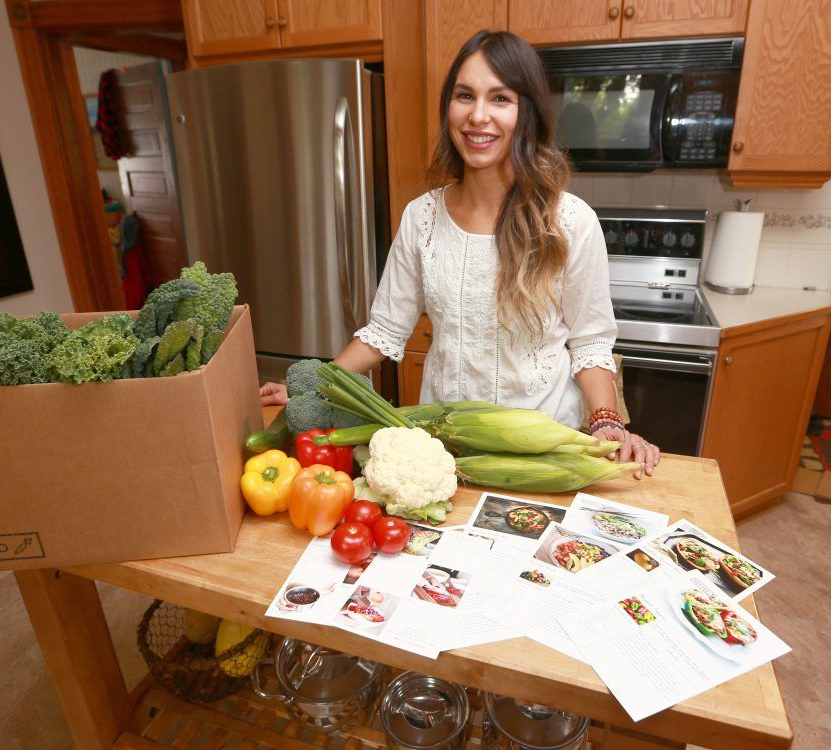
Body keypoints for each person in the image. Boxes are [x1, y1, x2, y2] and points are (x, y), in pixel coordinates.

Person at [260, 30, 660, 478]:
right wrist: (315, 387)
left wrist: (607, 423)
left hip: (544, 447)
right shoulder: (422, 218)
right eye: (464, 96)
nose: (478, 116)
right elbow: (385, 332)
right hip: (444, 449)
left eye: (500, 98)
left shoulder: (568, 222)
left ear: (526, 112)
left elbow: (589, 342)